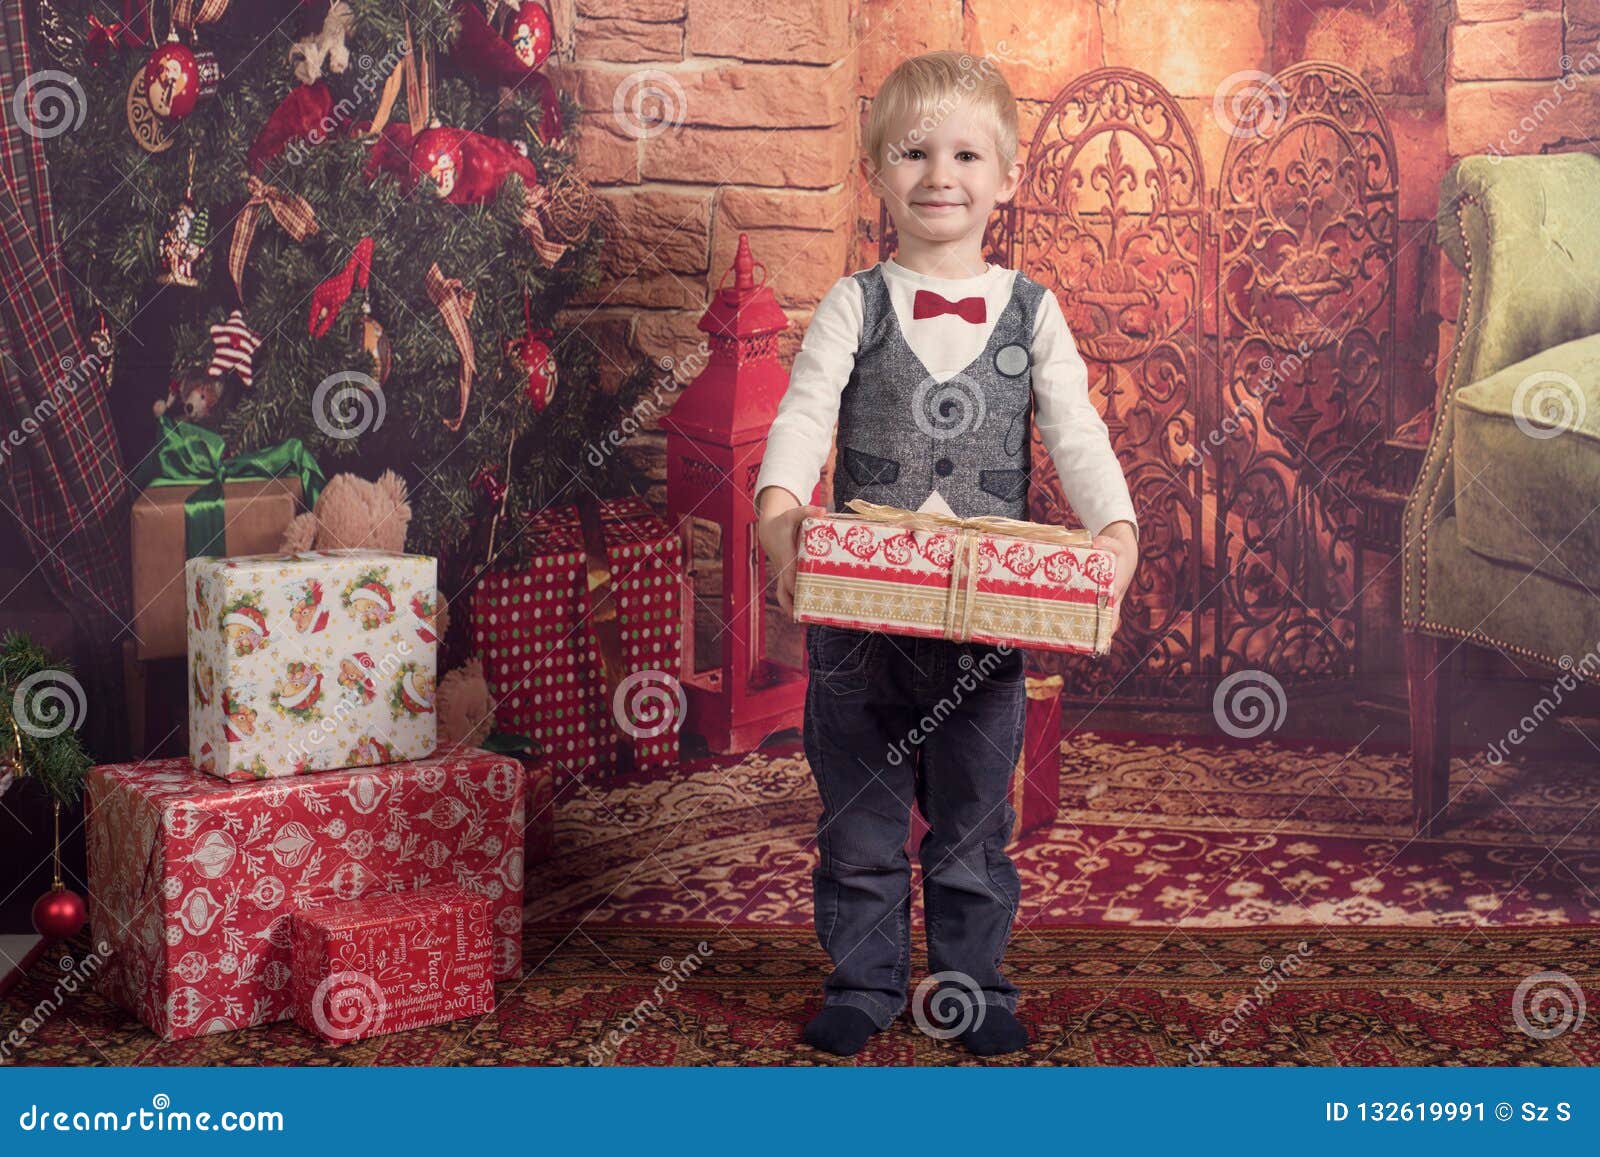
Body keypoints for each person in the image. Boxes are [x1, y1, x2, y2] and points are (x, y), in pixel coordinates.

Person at [754, 50, 1139, 1058]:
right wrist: (779, 503)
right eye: (914, 151)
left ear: (1005, 176)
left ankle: (972, 984)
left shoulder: (1031, 310)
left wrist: (1115, 529)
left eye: (966, 153)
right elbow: (802, 412)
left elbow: (1077, 431)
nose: (939, 174)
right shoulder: (854, 303)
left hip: (984, 627)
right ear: (879, 170)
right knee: (861, 814)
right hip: (857, 625)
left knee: (972, 821)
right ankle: (861, 982)